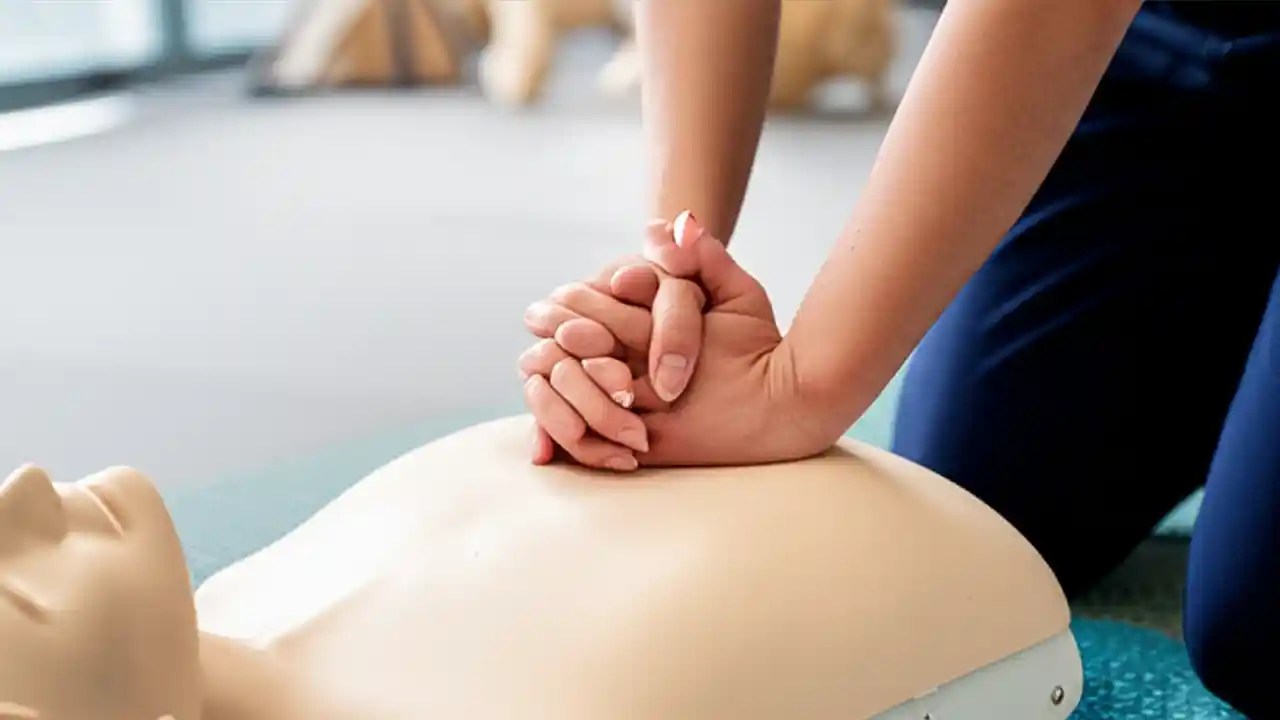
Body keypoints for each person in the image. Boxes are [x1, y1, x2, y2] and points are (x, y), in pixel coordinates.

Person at [517, 1, 1280, 716]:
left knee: (1262, 630)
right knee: (976, 520)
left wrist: (801, 386)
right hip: (1160, 42)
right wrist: (677, 283)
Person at [0, 418, 1079, 719]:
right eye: (12, 586)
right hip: (968, 579)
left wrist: (676, 261)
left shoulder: (236, 603)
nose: (20, 487)